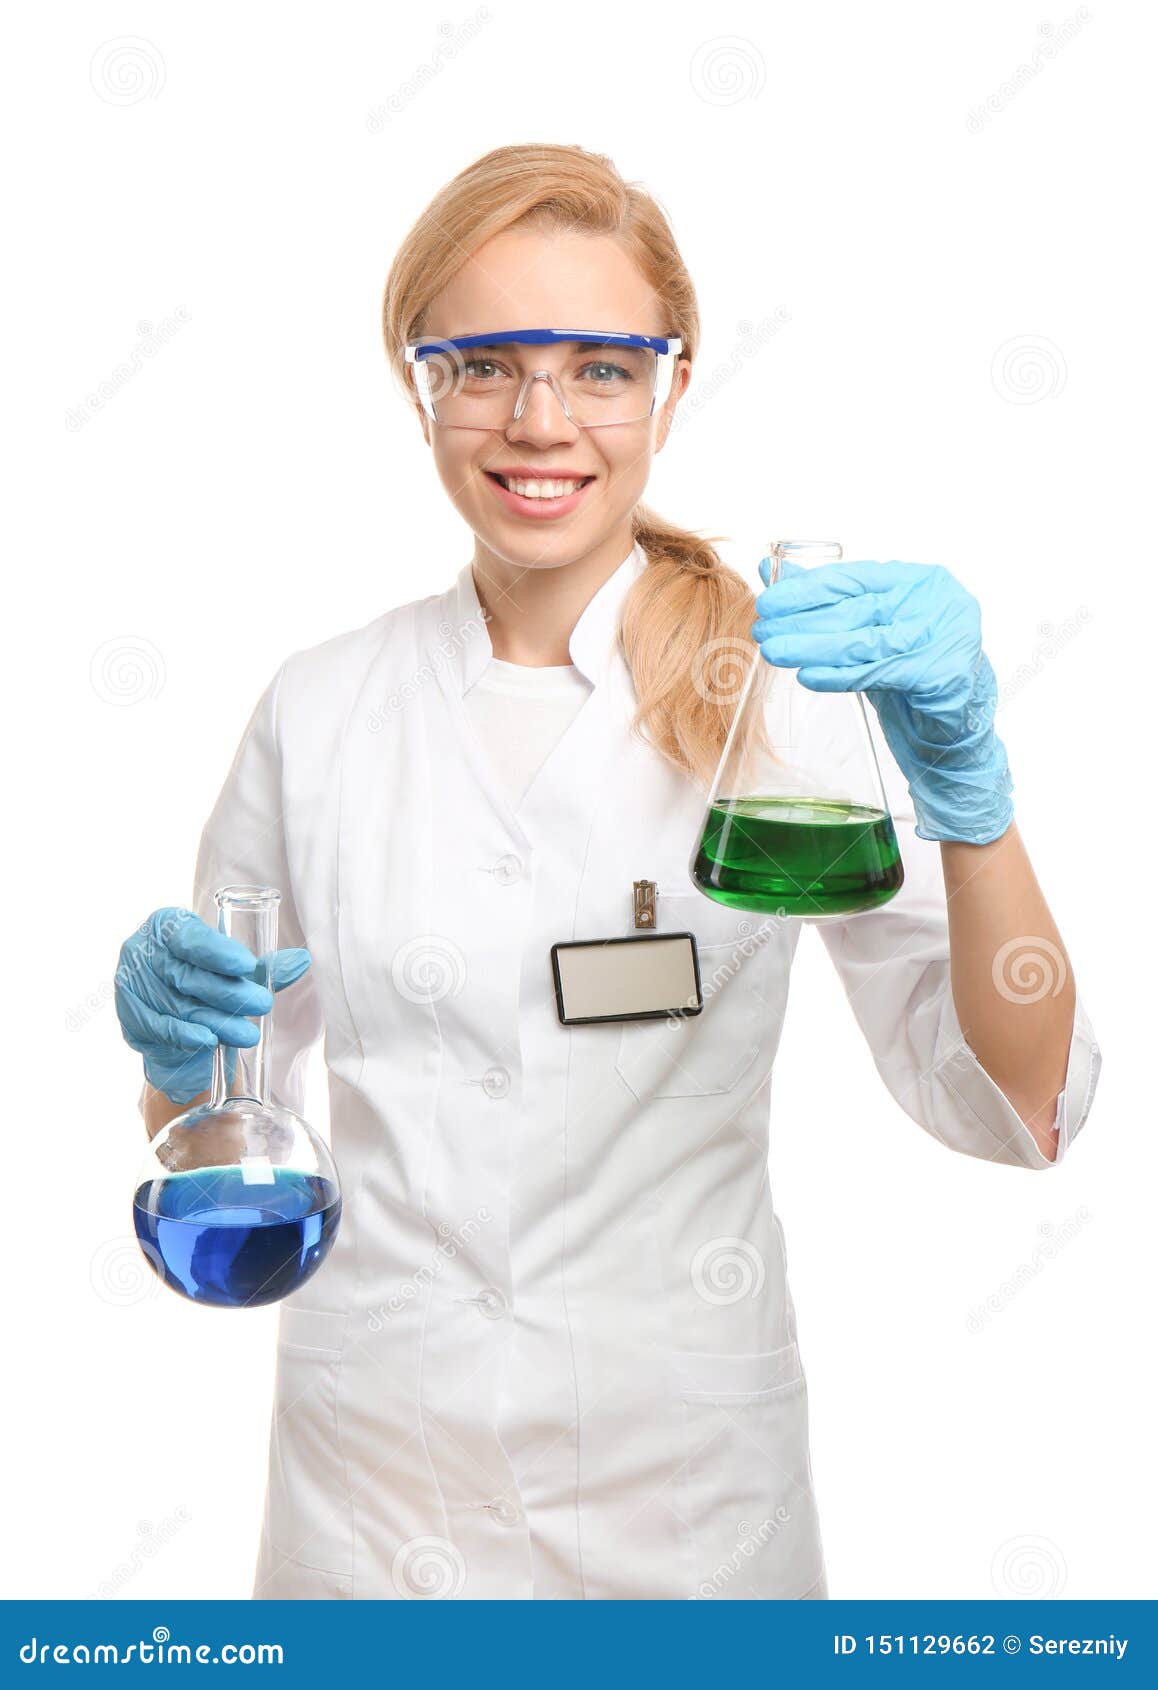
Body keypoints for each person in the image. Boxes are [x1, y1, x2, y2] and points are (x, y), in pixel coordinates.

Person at [115, 143, 1100, 1601]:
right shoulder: (317, 708)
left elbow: (1021, 1099)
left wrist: (972, 799)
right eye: (484, 364)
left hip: (687, 1515)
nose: (538, 420)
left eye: (597, 366)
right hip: (373, 1506)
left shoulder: (781, 691)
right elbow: (219, 1112)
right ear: (420, 386)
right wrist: (179, 1047)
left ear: (673, 386)